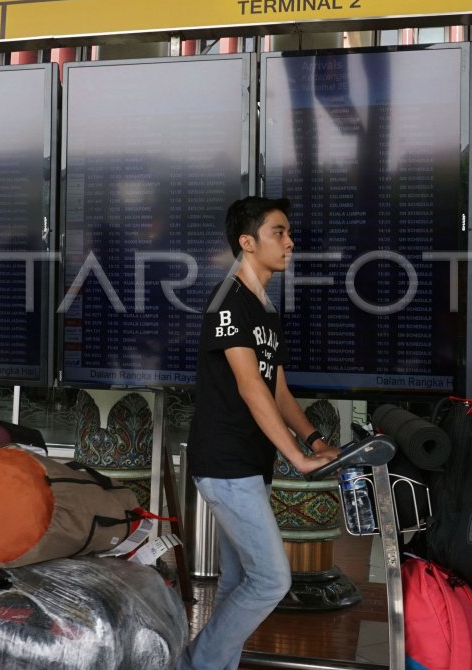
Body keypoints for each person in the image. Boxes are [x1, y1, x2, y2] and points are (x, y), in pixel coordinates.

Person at [179, 196, 337, 670]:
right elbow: (251, 389)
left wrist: (312, 440)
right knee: (271, 580)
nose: (290, 242)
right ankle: (196, 665)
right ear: (247, 243)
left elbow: (278, 387)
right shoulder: (228, 302)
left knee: (238, 582)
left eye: (289, 233)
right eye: (278, 233)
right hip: (225, 462)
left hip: (249, 463)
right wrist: (298, 457)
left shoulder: (265, 308)